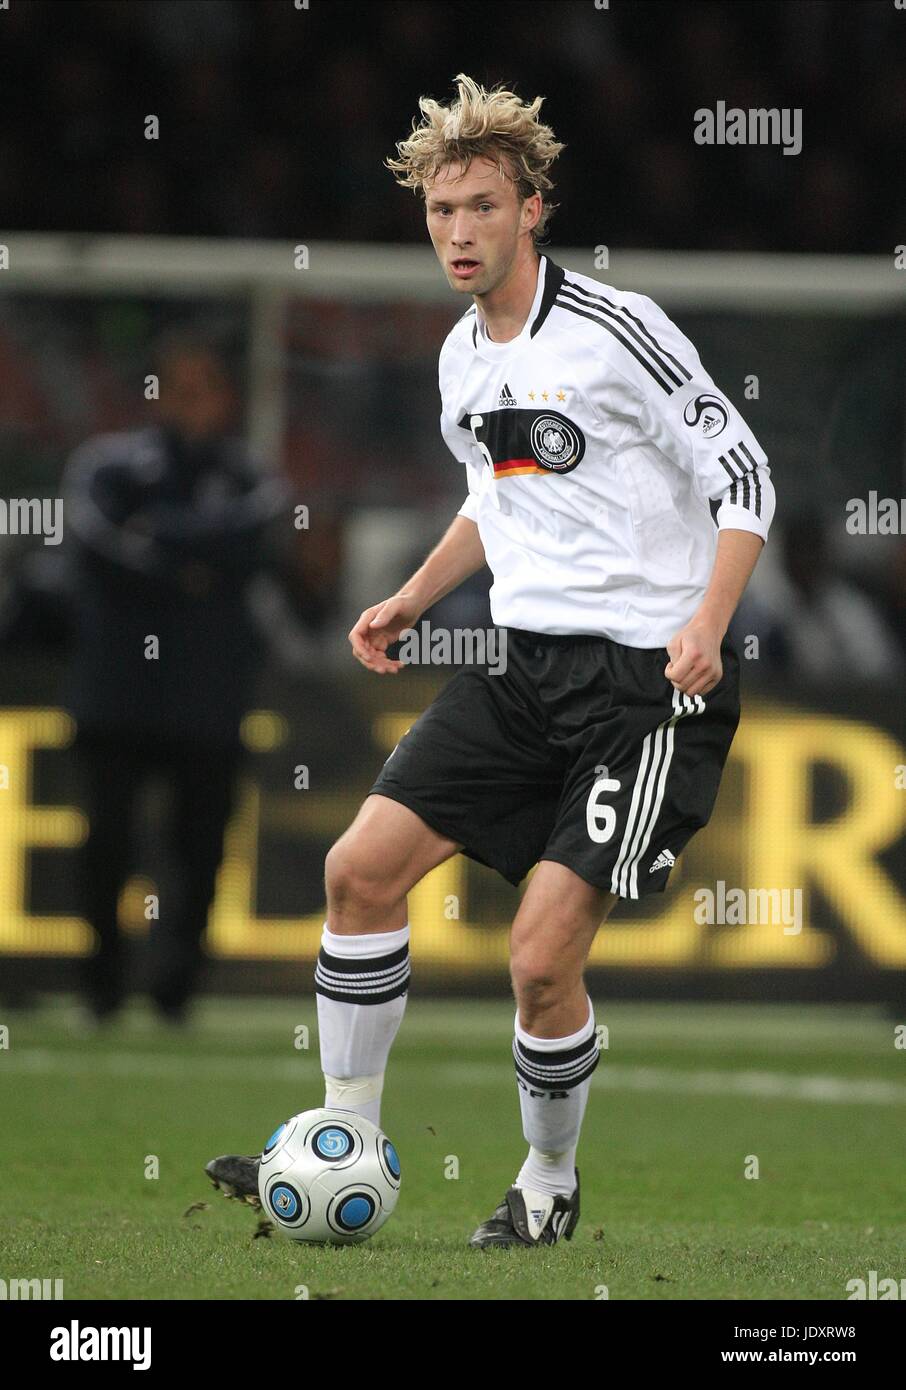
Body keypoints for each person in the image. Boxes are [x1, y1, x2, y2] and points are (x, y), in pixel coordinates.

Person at [206, 73, 775, 1247]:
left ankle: (547, 1186)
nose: (456, 232)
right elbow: (495, 503)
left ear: (532, 209)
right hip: (522, 675)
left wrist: (709, 622)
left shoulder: (623, 331)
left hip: (648, 692)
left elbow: (747, 478)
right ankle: (344, 1132)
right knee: (359, 873)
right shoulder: (464, 358)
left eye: (478, 206)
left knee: (537, 962)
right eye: (438, 211)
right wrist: (412, 597)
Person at [63, 333, 289, 1025]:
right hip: (118, 695)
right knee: (107, 842)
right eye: (179, 385)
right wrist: (192, 563)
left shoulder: (251, 475)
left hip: (207, 699)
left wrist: (155, 538)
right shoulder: (107, 464)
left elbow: (255, 535)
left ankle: (175, 988)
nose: (192, 401)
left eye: (205, 386)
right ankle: (101, 984)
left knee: (201, 849)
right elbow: (95, 544)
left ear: (226, 397)